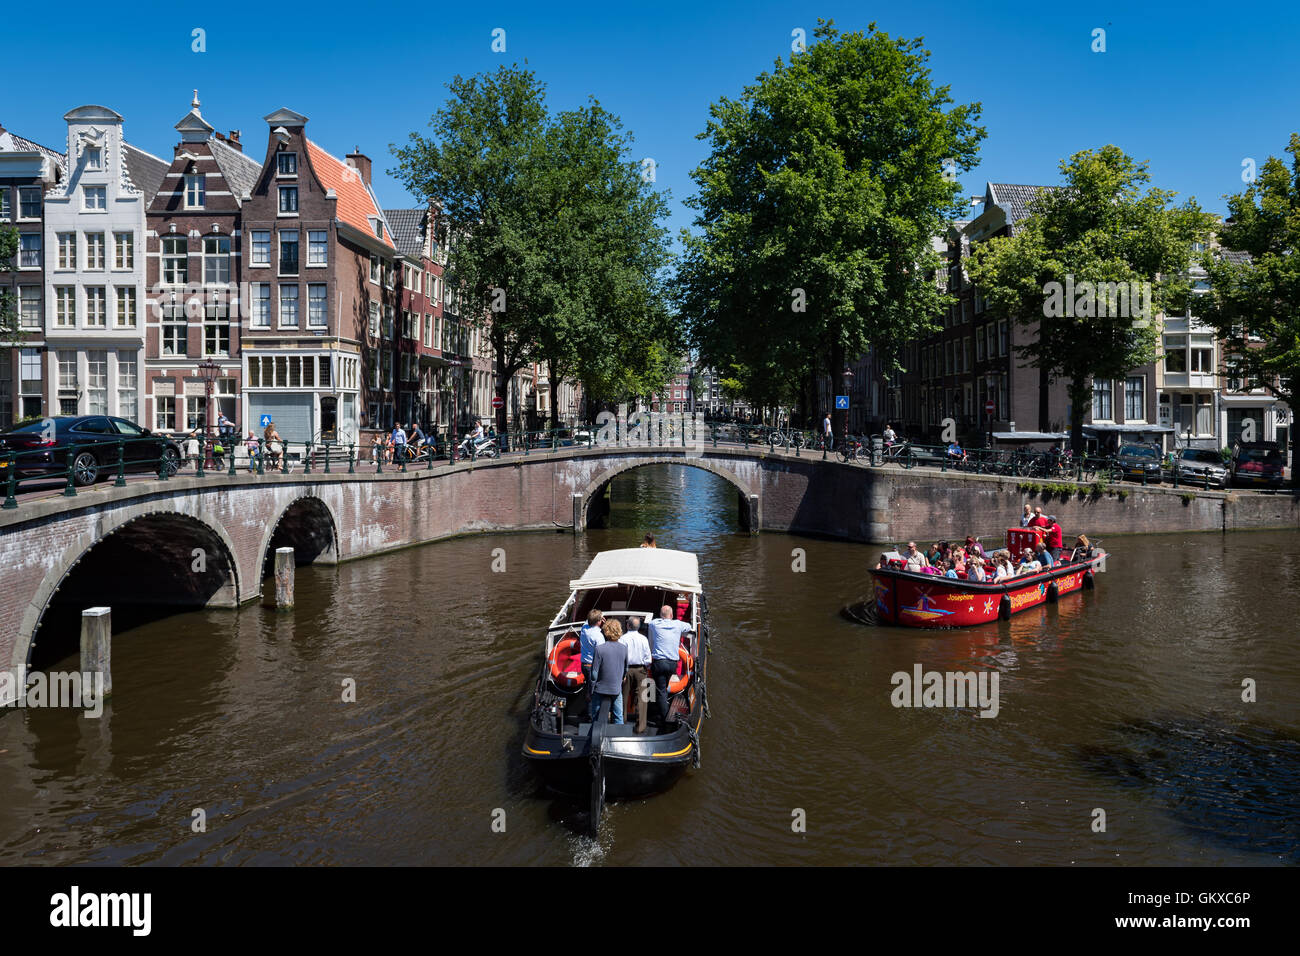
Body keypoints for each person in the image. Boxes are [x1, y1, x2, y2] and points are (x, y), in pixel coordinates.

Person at [647, 605, 692, 727]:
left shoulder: (655, 623)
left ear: (661, 616)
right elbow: (689, 627)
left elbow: (648, 623)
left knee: (661, 690)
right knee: (664, 687)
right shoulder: (678, 624)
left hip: (659, 663)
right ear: (671, 615)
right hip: (672, 664)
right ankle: (664, 709)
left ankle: (665, 718)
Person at [590, 619, 627, 725]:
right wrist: (620, 680)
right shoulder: (624, 648)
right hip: (616, 688)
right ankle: (619, 738)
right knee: (618, 716)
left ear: (605, 632)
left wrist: (591, 690)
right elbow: (625, 669)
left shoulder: (599, 649)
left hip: (600, 688)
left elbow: (594, 674)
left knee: (596, 716)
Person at [622, 616, 653, 734]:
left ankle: (621, 723)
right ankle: (640, 727)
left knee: (623, 696)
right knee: (642, 698)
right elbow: (648, 658)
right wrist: (644, 666)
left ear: (628, 625)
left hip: (626, 670)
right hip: (641, 670)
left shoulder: (623, 639)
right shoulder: (644, 639)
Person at [578, 609, 605, 716]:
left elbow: (588, 621)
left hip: (583, 664)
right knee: (593, 692)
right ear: (599, 621)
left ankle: (587, 709)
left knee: (589, 687)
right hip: (592, 666)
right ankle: (591, 715)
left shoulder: (584, 628)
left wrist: (597, 619)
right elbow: (602, 653)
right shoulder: (598, 636)